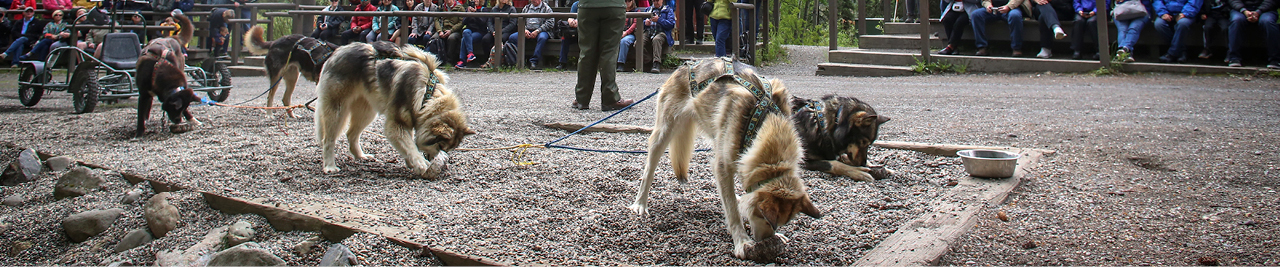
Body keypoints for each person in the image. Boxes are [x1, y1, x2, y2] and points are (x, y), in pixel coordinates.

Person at [572, 0, 635, 111]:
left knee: (587, 52)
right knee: (609, 52)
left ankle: (582, 99)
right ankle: (610, 99)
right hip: (614, 6)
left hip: (588, 6)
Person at [1224, 0, 1278, 68]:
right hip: (1240, 10)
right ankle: (1234, 58)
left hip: (1266, 10)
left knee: (1268, 22)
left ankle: (1275, 59)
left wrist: (1258, 12)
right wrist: (1244, 10)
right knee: (1236, 21)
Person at [508, 0, 553, 68]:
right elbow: (520, 21)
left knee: (542, 38)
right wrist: (524, 30)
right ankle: (518, 60)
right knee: (512, 37)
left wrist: (538, 30)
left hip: (541, 31)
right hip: (527, 30)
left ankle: (534, 61)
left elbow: (550, 23)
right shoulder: (526, 8)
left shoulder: (547, 8)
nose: (533, 0)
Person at [640, 0, 674, 73]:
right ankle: (648, 60)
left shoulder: (668, 10)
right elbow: (640, 22)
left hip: (662, 32)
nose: (656, 2)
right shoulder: (648, 9)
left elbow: (671, 24)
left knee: (657, 39)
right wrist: (645, 23)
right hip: (649, 32)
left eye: (658, 0)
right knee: (638, 42)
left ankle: (656, 63)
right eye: (654, 0)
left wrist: (659, 20)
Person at [457, 0, 488, 68]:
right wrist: (468, 14)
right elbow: (464, 22)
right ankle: (470, 54)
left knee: (464, 39)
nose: (475, 1)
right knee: (466, 32)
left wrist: (475, 13)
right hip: (469, 31)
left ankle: (462, 60)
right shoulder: (468, 9)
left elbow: (483, 23)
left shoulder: (484, 9)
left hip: (480, 32)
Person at [434, 0, 465, 64]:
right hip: (443, 29)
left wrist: (451, 30)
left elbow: (461, 22)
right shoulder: (441, 8)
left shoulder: (460, 8)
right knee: (434, 38)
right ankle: (437, 58)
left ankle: (450, 60)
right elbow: (436, 20)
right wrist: (439, 31)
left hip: (455, 30)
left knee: (451, 38)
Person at [615, 0, 640, 71]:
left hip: (631, 34)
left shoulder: (636, 11)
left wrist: (626, 33)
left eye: (629, 0)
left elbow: (635, 24)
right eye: (625, 1)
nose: (627, 2)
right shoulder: (619, 11)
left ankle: (620, 64)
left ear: (633, 1)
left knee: (624, 41)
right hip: (619, 32)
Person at [555, 0, 578, 70]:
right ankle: (562, 63)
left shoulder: (588, 5)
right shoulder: (576, 5)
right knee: (564, 38)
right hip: (574, 31)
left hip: (586, 31)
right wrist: (571, 21)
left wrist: (579, 22)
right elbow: (570, 17)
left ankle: (583, 63)